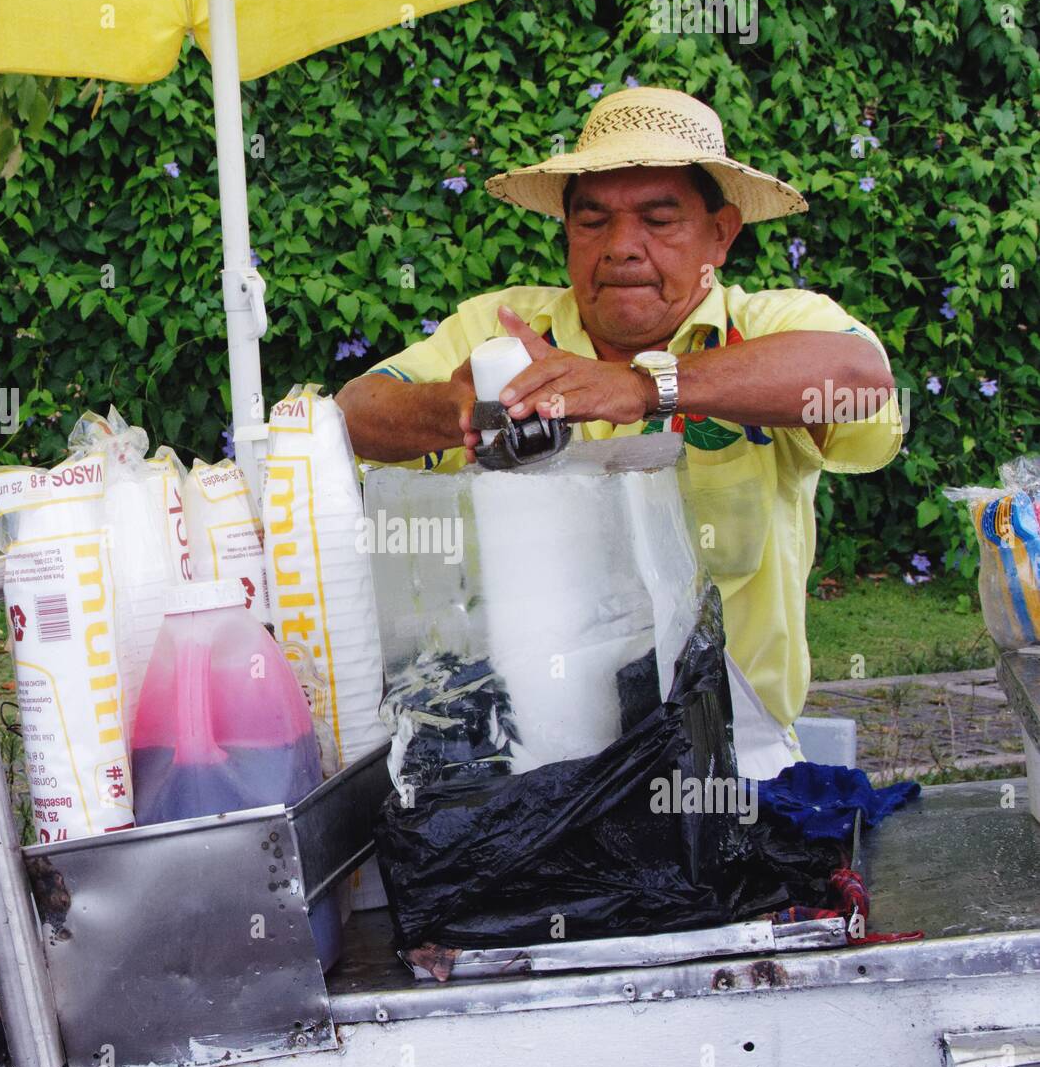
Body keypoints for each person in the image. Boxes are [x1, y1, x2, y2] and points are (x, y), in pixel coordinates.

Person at [336, 86, 901, 754]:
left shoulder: (768, 327)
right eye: (592, 221)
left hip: (725, 757)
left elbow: (861, 379)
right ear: (567, 232)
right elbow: (352, 415)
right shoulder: (497, 330)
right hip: (522, 757)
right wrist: (452, 406)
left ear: (719, 233)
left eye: (659, 220)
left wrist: (644, 387)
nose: (621, 247)